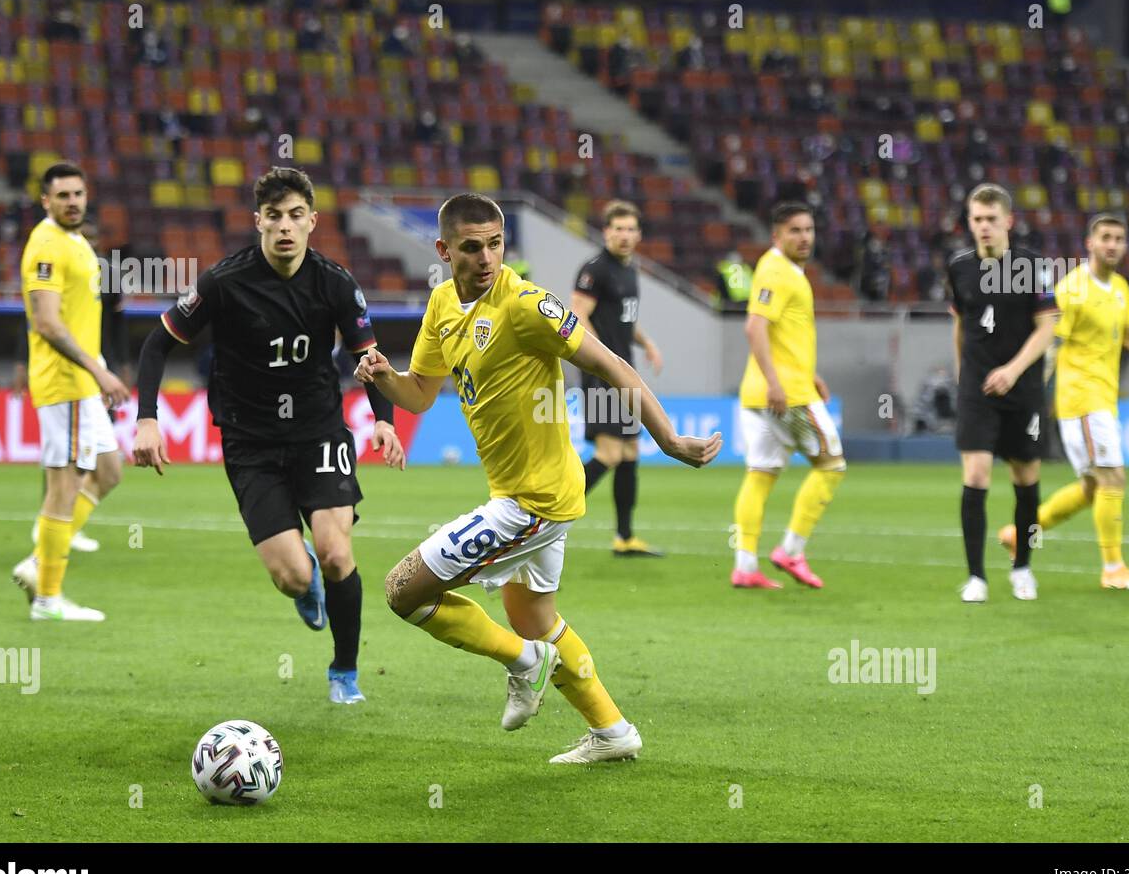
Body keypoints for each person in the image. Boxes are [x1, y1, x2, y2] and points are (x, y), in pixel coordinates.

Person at [356, 192, 720, 764]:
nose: (486, 258)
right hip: (524, 493)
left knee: (403, 591)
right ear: (443, 250)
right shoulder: (442, 306)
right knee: (534, 619)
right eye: (471, 247)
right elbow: (420, 394)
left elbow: (611, 365)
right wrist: (384, 377)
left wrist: (668, 439)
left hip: (534, 502)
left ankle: (524, 662)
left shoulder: (527, 305)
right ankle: (613, 731)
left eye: (496, 244)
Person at [131, 167, 404, 705]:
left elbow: (367, 359)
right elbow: (155, 345)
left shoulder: (336, 283)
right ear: (258, 221)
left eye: (295, 216)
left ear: (312, 222)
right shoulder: (222, 282)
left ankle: (344, 671)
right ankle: (304, 585)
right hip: (249, 442)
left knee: (335, 550)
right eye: (274, 216)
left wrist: (384, 418)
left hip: (319, 431)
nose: (285, 226)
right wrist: (147, 417)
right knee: (293, 577)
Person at [999, 214, 1129, 588]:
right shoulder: (1072, 289)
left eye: (1119, 238)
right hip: (1082, 398)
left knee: (1093, 487)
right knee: (1113, 476)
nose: (1112, 244)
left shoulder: (1120, 288)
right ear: (1089, 243)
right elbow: (1049, 341)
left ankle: (1021, 533)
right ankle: (1113, 569)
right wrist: (1028, 396)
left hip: (1101, 399)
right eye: (1105, 237)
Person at [11, 162, 130, 621]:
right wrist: (96, 372)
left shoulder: (77, 242)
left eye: (78, 194)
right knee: (65, 484)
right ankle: (47, 597)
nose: (73, 202)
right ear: (46, 201)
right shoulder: (45, 245)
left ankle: (39, 563)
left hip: (84, 380)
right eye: (62, 196)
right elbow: (46, 321)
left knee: (109, 471)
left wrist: (98, 367)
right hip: (65, 382)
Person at [948, 183, 1059, 603]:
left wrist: (1013, 371)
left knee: (1025, 478)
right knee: (975, 475)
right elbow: (959, 325)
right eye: (977, 219)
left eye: (992, 219)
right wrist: (963, 378)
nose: (984, 227)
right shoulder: (958, 267)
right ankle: (976, 576)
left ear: (1008, 221)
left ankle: (1022, 567)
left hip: (1024, 389)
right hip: (977, 391)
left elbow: (1048, 327)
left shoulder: (1034, 266)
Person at [730, 202, 845, 590]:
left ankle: (745, 566)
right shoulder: (778, 272)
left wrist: (811, 374)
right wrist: (778, 383)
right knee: (831, 466)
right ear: (777, 235)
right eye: (795, 230)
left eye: (809, 229)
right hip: (785, 396)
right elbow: (754, 328)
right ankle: (792, 550)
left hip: (763, 392)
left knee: (760, 475)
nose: (804, 237)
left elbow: (781, 335)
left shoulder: (777, 268)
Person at [571, 200, 665, 557]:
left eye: (630, 229)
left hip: (623, 370)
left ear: (638, 234)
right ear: (606, 231)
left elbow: (625, 319)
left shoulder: (629, 270)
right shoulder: (595, 269)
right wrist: (603, 358)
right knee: (610, 452)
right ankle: (542, 518)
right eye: (617, 229)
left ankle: (625, 538)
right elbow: (578, 314)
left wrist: (647, 342)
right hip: (602, 372)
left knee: (628, 452)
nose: (624, 235)